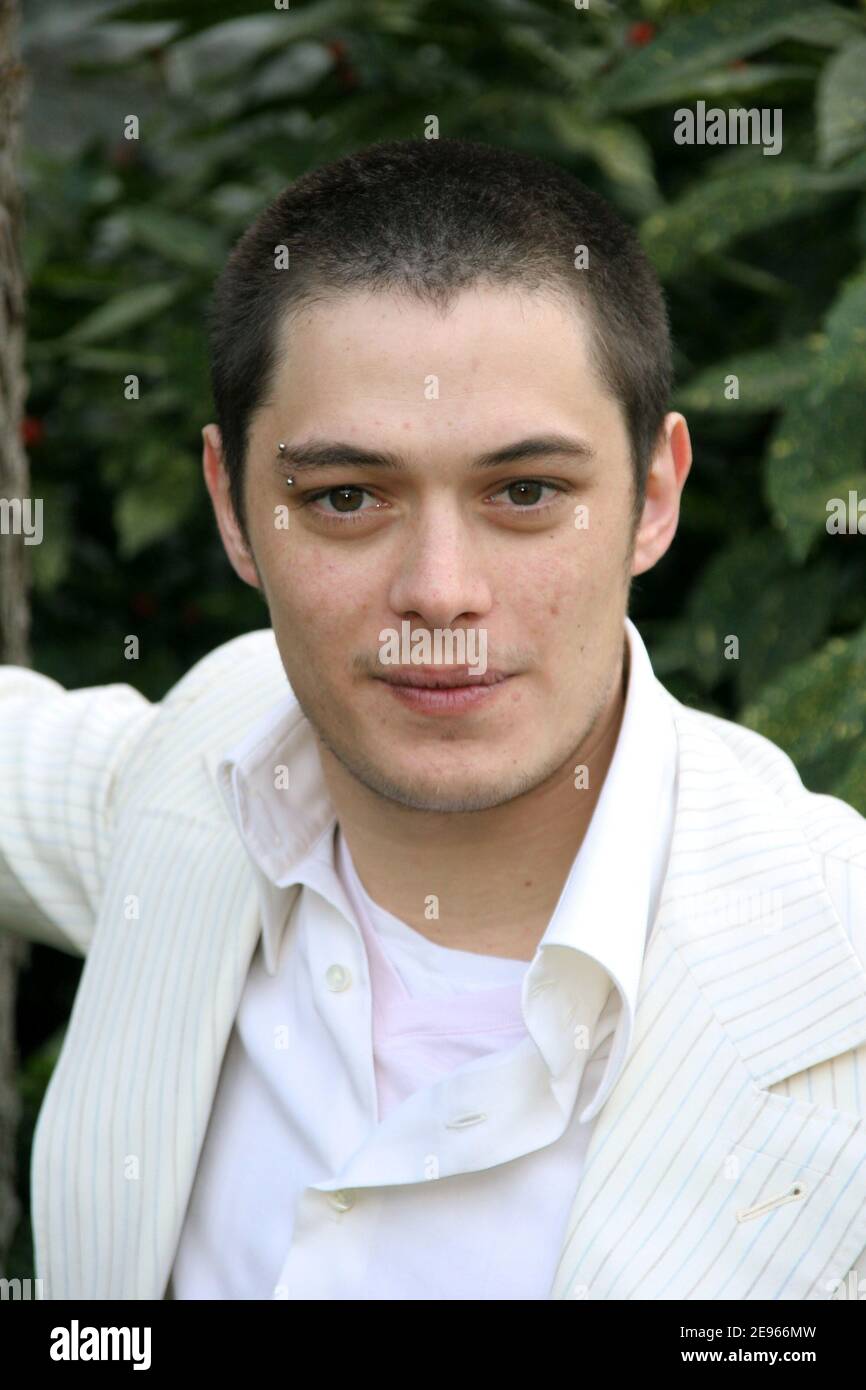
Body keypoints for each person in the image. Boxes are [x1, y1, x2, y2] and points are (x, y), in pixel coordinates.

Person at [3, 137, 865, 1302]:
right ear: (233, 509)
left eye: (524, 492)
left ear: (653, 497)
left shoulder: (834, 979)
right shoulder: (205, 768)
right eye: (346, 498)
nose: (439, 589)